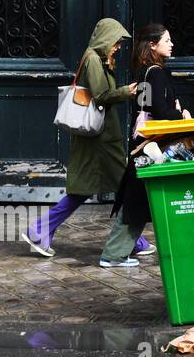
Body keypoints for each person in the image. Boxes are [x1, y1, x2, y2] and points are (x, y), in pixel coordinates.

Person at [23, 19, 139, 258]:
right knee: (119, 187)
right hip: (100, 140)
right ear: (106, 38)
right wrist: (127, 91)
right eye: (116, 42)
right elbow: (101, 95)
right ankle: (40, 229)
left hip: (101, 138)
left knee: (108, 187)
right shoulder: (94, 60)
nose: (118, 47)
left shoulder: (97, 58)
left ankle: (133, 240)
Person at [98, 24, 192, 268]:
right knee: (138, 198)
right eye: (166, 40)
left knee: (137, 197)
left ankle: (119, 251)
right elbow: (160, 111)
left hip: (144, 141)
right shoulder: (156, 73)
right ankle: (113, 254)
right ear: (152, 44)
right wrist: (180, 114)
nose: (171, 44)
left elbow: (145, 106)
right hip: (153, 144)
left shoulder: (145, 71)